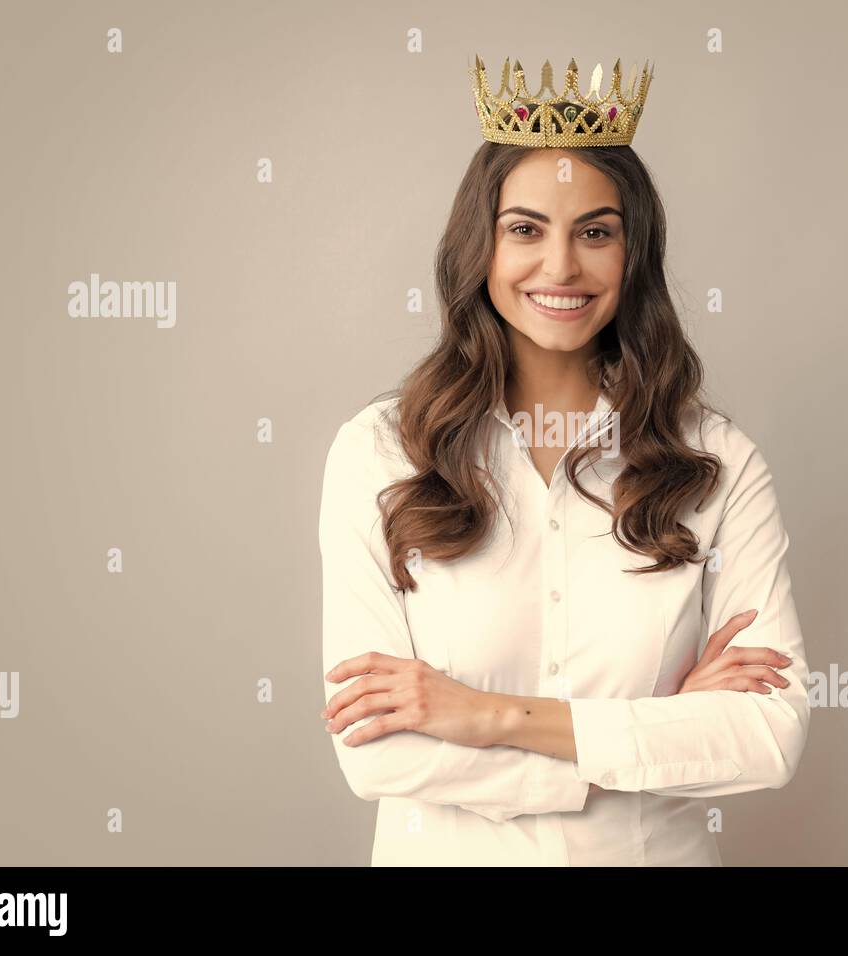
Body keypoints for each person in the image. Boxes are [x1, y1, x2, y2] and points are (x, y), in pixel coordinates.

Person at [319, 55, 810, 865]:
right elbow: (377, 754)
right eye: (525, 229)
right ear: (480, 247)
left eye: (595, 232)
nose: (560, 267)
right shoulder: (380, 454)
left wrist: (485, 716)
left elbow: (767, 734)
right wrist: (653, 736)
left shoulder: (717, 462)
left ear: (632, 252)